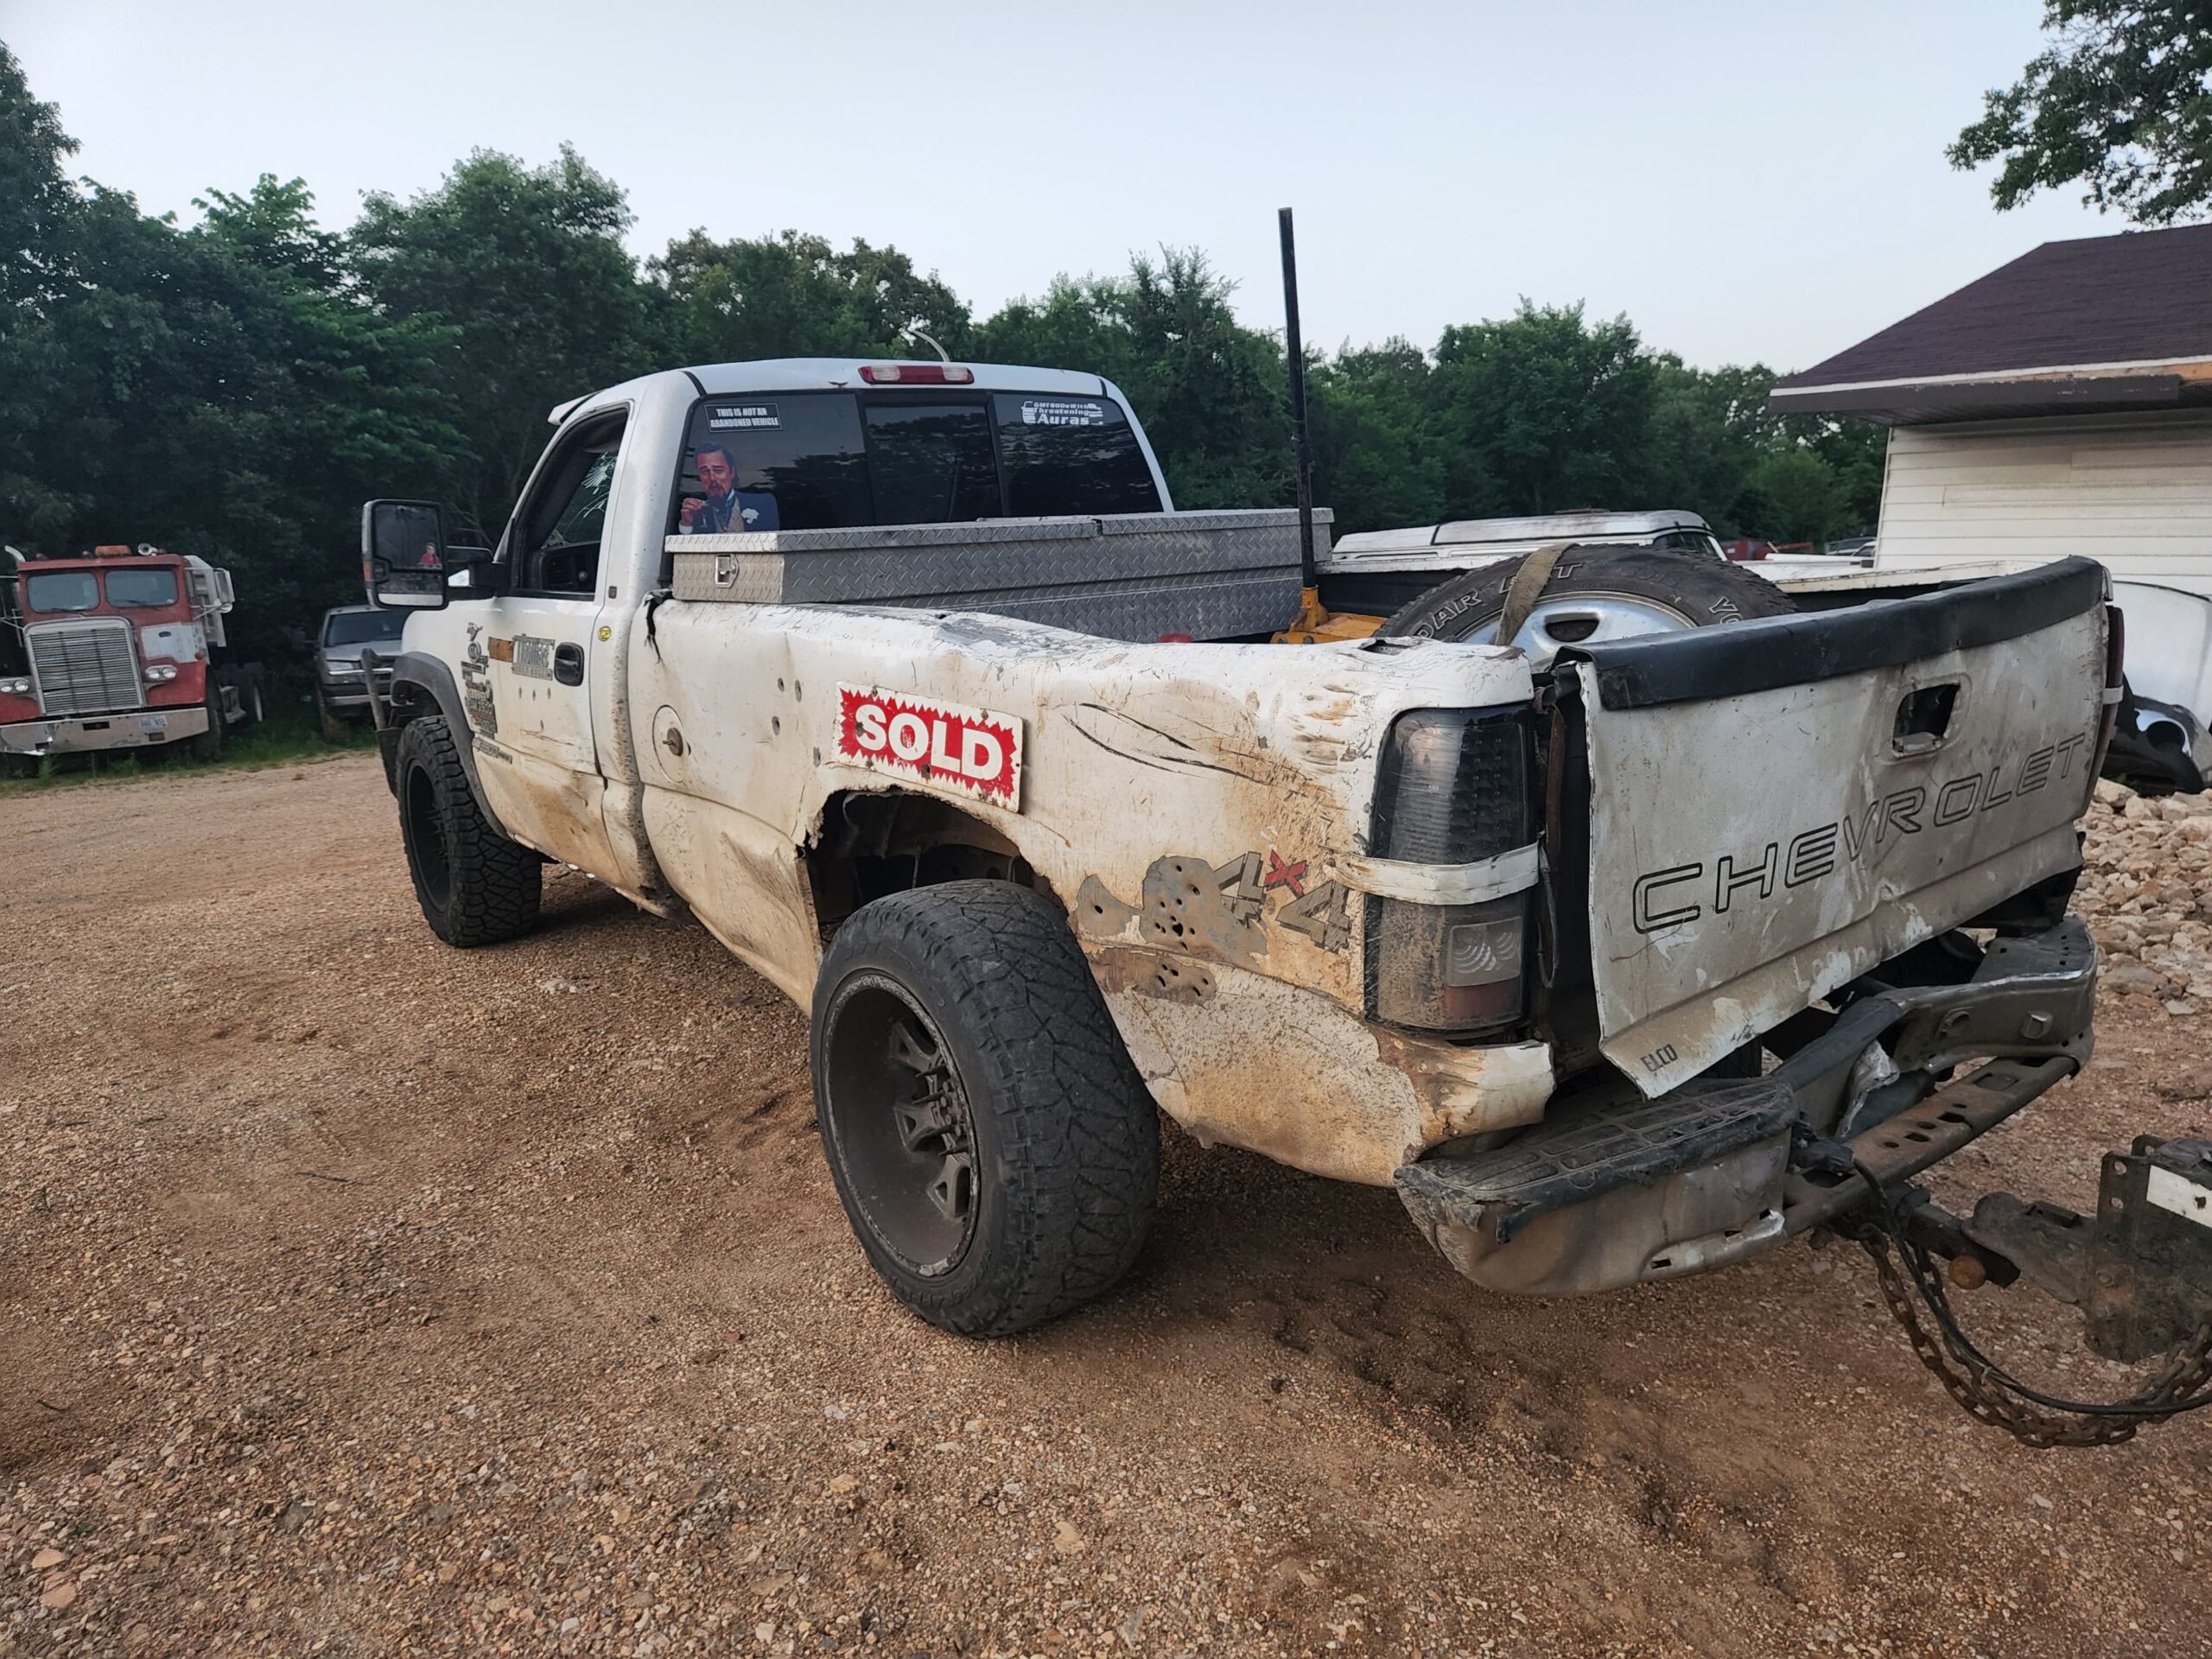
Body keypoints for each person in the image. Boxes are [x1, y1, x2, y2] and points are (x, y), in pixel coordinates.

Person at [677, 445, 779, 534]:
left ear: (732, 473)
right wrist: (686, 524)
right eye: (705, 472)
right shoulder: (695, 511)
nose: (712, 478)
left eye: (718, 470)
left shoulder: (763, 504)